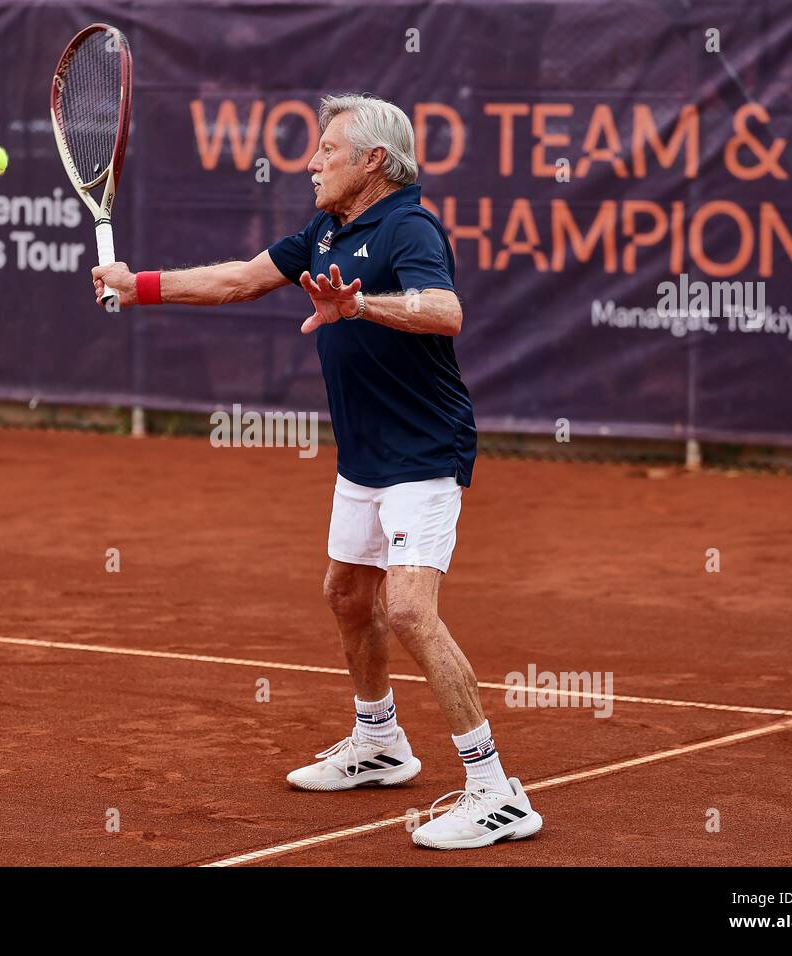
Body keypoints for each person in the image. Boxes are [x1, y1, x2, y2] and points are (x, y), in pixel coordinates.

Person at [91, 93, 542, 850]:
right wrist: (138, 285)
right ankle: (380, 744)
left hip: (423, 453)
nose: (311, 162)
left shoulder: (408, 225)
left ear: (372, 160)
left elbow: (444, 312)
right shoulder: (325, 230)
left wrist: (362, 308)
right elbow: (239, 279)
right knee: (345, 593)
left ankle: (497, 791)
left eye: (327, 149)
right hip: (364, 454)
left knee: (407, 610)